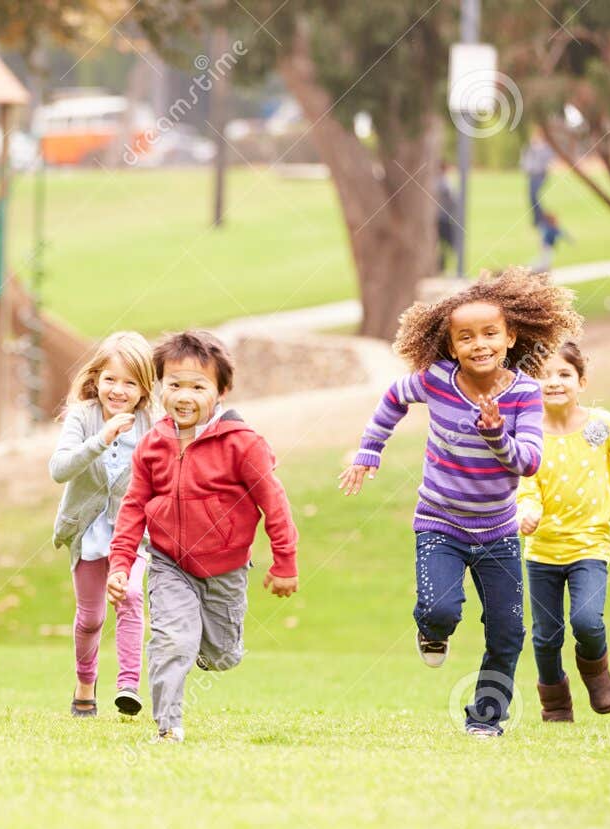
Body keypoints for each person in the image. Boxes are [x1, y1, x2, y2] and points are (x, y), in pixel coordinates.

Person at [338, 267, 580, 737]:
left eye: (490, 333)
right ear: (451, 347)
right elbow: (393, 397)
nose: (479, 344)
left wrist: (495, 437)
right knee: (440, 610)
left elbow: (528, 462)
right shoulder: (436, 381)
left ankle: (486, 719)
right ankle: (430, 628)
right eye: (466, 337)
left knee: (508, 632)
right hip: (439, 524)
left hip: (499, 532)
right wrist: (371, 449)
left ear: (511, 337)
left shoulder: (525, 396)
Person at [107, 330, 298, 743]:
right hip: (168, 562)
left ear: (221, 390)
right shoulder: (152, 445)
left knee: (221, 655)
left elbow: (275, 503)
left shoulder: (243, 445)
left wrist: (285, 562)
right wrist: (120, 564)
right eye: (174, 385)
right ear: (159, 388)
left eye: (198, 386)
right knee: (172, 640)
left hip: (225, 569)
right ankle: (168, 726)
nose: (184, 396)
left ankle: (207, 648)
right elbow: (133, 507)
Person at [517, 342, 610, 721]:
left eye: (563, 374)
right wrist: (527, 511)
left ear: (582, 382)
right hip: (542, 552)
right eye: (543, 375)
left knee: (587, 621)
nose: (553, 382)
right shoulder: (528, 434)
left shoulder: (600, 426)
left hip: (589, 546)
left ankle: (597, 673)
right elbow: (523, 482)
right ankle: (556, 703)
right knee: (545, 636)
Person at [50, 331, 158, 718]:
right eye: (111, 379)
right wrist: (101, 438)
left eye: (130, 383)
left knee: (129, 596)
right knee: (91, 617)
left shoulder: (153, 423)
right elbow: (59, 470)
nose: (118, 390)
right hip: (87, 531)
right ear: (96, 378)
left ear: (144, 390)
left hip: (134, 533)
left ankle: (128, 686)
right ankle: (84, 682)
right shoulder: (83, 416)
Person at [522, 129, 553, 227]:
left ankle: (541, 218)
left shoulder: (545, 148)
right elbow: (525, 160)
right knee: (531, 197)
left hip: (541, 174)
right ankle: (537, 219)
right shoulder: (529, 147)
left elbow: (548, 160)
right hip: (532, 175)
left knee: (535, 196)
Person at [435, 161, 459, 274]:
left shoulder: (433, 181)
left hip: (437, 219)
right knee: (454, 243)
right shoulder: (445, 183)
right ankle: (445, 267)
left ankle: (440, 267)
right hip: (443, 219)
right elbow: (453, 202)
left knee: (438, 246)